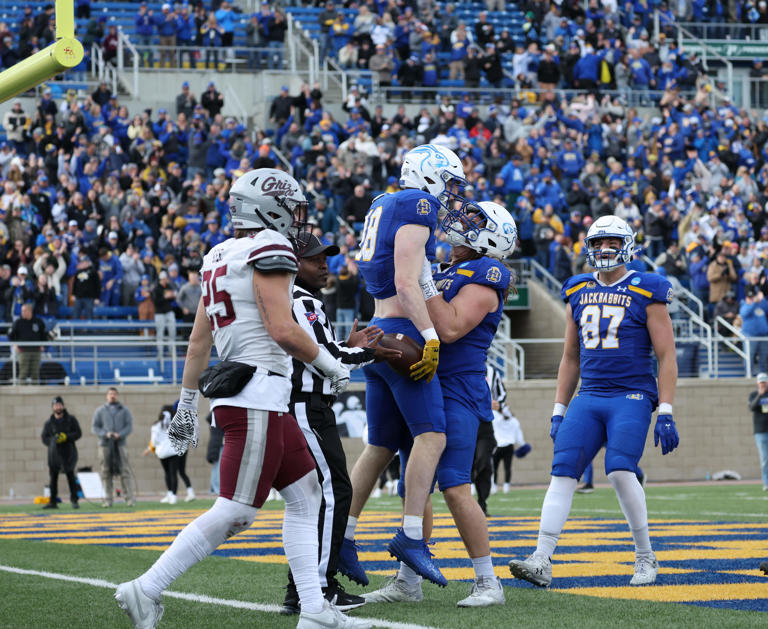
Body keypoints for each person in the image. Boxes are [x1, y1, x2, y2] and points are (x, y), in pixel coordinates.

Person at [115, 169, 370, 629]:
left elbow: (198, 342)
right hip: (258, 396)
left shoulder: (217, 254)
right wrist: (334, 367)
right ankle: (145, 588)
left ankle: (313, 610)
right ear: (268, 207)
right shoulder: (268, 247)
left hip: (253, 397)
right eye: (292, 208)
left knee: (306, 494)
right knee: (236, 510)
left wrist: (187, 405)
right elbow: (282, 329)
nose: (297, 217)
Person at [508, 215, 679, 588]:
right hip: (590, 395)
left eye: (613, 242)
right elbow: (570, 357)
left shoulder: (648, 287)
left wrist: (665, 408)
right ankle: (541, 558)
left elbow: (667, 356)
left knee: (619, 469)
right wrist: (559, 408)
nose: (605, 249)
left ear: (628, 245)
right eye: (598, 243)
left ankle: (645, 556)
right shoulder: (577, 289)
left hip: (631, 394)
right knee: (562, 471)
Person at [363, 200, 517, 607]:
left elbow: (447, 328)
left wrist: (421, 281)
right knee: (412, 487)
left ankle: (488, 582)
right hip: (423, 382)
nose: (463, 223)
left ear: (494, 237)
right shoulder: (452, 271)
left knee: (454, 486)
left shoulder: (487, 274)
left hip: (458, 390)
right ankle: (407, 581)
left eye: (476, 221)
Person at [342, 144, 468, 589]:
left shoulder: (383, 203)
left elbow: (404, 273)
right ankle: (412, 536)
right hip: (402, 335)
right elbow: (405, 280)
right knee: (431, 436)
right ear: (430, 177)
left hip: (379, 329)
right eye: (450, 183)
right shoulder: (418, 203)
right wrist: (430, 336)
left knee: (379, 447)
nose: (453, 194)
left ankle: (344, 534)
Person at [281, 231, 400, 615]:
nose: (324, 266)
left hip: (306, 406)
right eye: (315, 259)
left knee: (313, 499)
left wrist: (351, 345)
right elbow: (324, 356)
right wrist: (370, 352)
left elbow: (327, 350)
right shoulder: (301, 300)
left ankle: (301, 589)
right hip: (306, 407)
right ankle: (318, 587)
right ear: (294, 263)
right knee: (333, 493)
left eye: (325, 258)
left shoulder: (300, 299)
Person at [92, 387, 137, 508]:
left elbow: (129, 427)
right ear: (107, 396)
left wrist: (120, 434)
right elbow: (95, 427)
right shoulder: (100, 411)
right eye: (110, 394)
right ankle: (108, 500)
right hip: (105, 445)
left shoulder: (124, 410)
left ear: (117, 395)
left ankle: (130, 499)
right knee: (106, 471)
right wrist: (105, 434)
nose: (112, 396)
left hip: (120, 444)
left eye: (114, 394)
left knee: (125, 471)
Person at [143, 402, 194, 504]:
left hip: (162, 453)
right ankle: (173, 496)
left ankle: (170, 493)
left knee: (167, 473)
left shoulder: (156, 425)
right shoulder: (177, 423)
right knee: (174, 473)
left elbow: (154, 441)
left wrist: (150, 449)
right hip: (174, 452)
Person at [489, 366, 530, 495]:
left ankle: (494, 486)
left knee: (494, 468)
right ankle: (506, 486)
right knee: (507, 468)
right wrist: (523, 445)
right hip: (509, 446)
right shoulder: (514, 421)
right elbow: (519, 436)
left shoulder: (495, 418)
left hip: (498, 446)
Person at [40, 396, 82, 509]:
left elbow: (78, 433)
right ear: (53, 407)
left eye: (59, 405)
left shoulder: (71, 419)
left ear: (63, 406)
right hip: (54, 454)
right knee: (53, 478)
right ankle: (53, 502)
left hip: (68, 452)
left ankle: (74, 500)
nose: (58, 407)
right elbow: (44, 438)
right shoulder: (49, 423)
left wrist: (66, 437)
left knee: (70, 476)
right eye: (56, 405)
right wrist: (53, 441)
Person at [8, 302, 49, 384]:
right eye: (22, 311)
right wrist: (15, 345)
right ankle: (22, 394)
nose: (22, 313)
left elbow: (44, 334)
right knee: (23, 373)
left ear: (30, 311)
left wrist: (42, 344)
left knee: (35, 374)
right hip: (23, 351)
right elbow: (11, 335)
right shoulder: (18, 322)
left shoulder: (38, 322)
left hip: (36, 351)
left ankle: (35, 393)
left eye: (24, 311)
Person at [740, 286, 768, 375]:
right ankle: (749, 374)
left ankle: (762, 376)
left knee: (763, 357)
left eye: (753, 297)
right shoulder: (744, 305)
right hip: (750, 336)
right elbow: (744, 313)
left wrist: (762, 299)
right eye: (750, 297)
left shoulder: (761, 304)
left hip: (763, 336)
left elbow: (767, 308)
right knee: (749, 356)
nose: (752, 299)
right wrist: (754, 303)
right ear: (746, 298)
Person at [747, 372, 768, 492]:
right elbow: (751, 407)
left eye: (764, 382)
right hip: (760, 432)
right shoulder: (754, 395)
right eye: (761, 382)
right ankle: (766, 483)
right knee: (765, 459)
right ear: (757, 383)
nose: (763, 384)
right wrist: (760, 395)